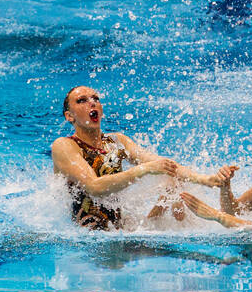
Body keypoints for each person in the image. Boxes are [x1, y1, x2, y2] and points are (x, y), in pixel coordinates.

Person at [52, 85, 234, 230]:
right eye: (82, 101)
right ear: (69, 116)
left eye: (96, 99)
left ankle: (187, 237)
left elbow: (161, 164)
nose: (92, 103)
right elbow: (94, 187)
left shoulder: (117, 141)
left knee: (173, 185)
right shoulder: (64, 146)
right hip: (90, 240)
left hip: (120, 230)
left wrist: (207, 180)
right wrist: (143, 169)